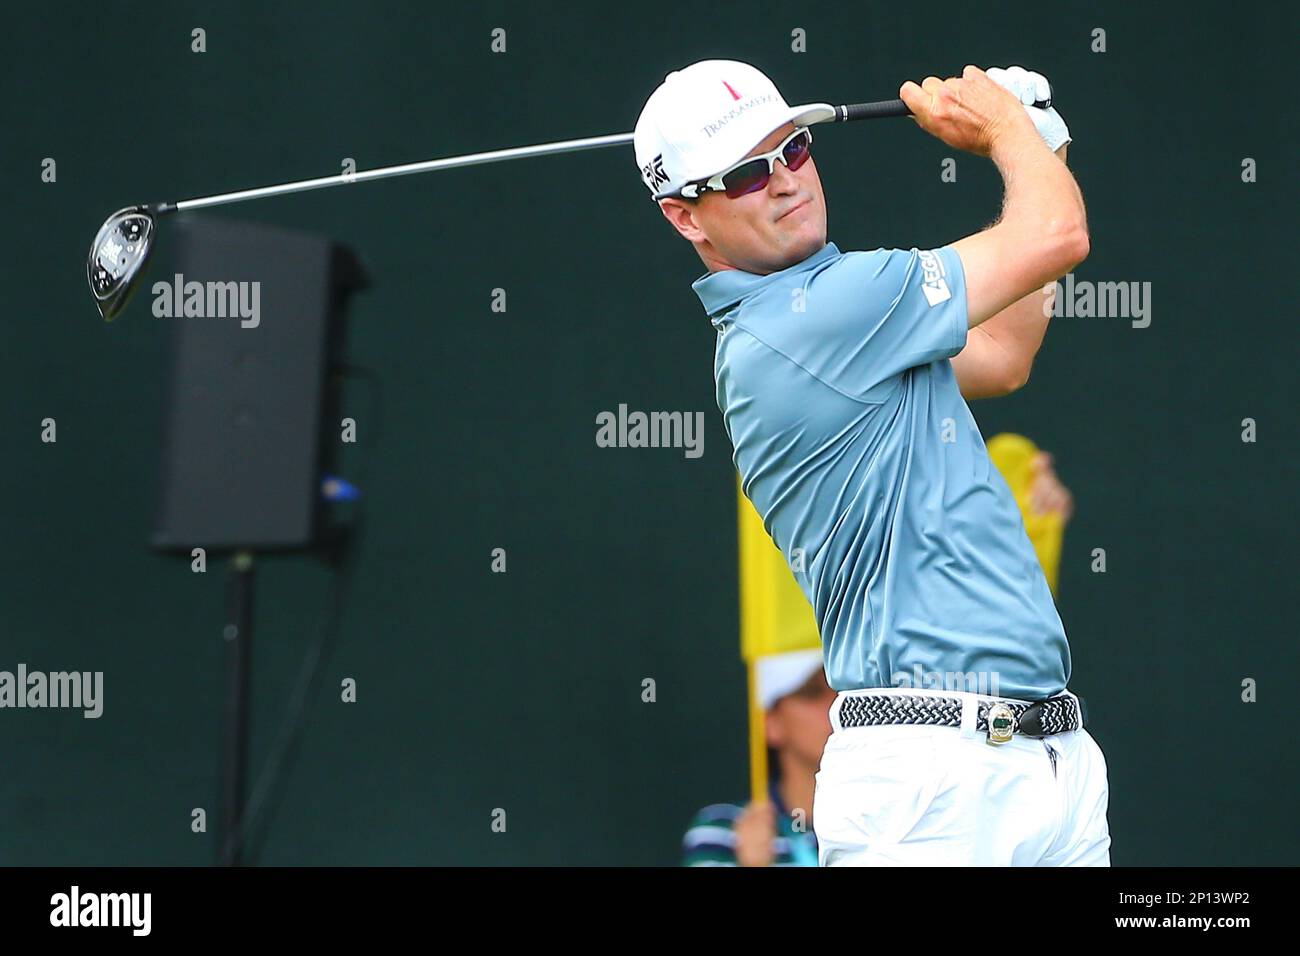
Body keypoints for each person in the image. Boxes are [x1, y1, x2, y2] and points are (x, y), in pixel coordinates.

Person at [635, 60, 1110, 865]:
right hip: (928, 781)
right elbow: (1056, 236)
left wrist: (1041, 141)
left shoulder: (845, 316)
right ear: (687, 217)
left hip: (1046, 760)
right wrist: (1005, 129)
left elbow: (1004, 353)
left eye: (792, 149)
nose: (785, 180)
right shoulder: (809, 317)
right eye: (746, 174)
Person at [682, 650, 835, 866]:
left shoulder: (882, 822)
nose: (836, 705)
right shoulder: (721, 832)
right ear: (770, 722)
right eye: (812, 693)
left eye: (841, 690)